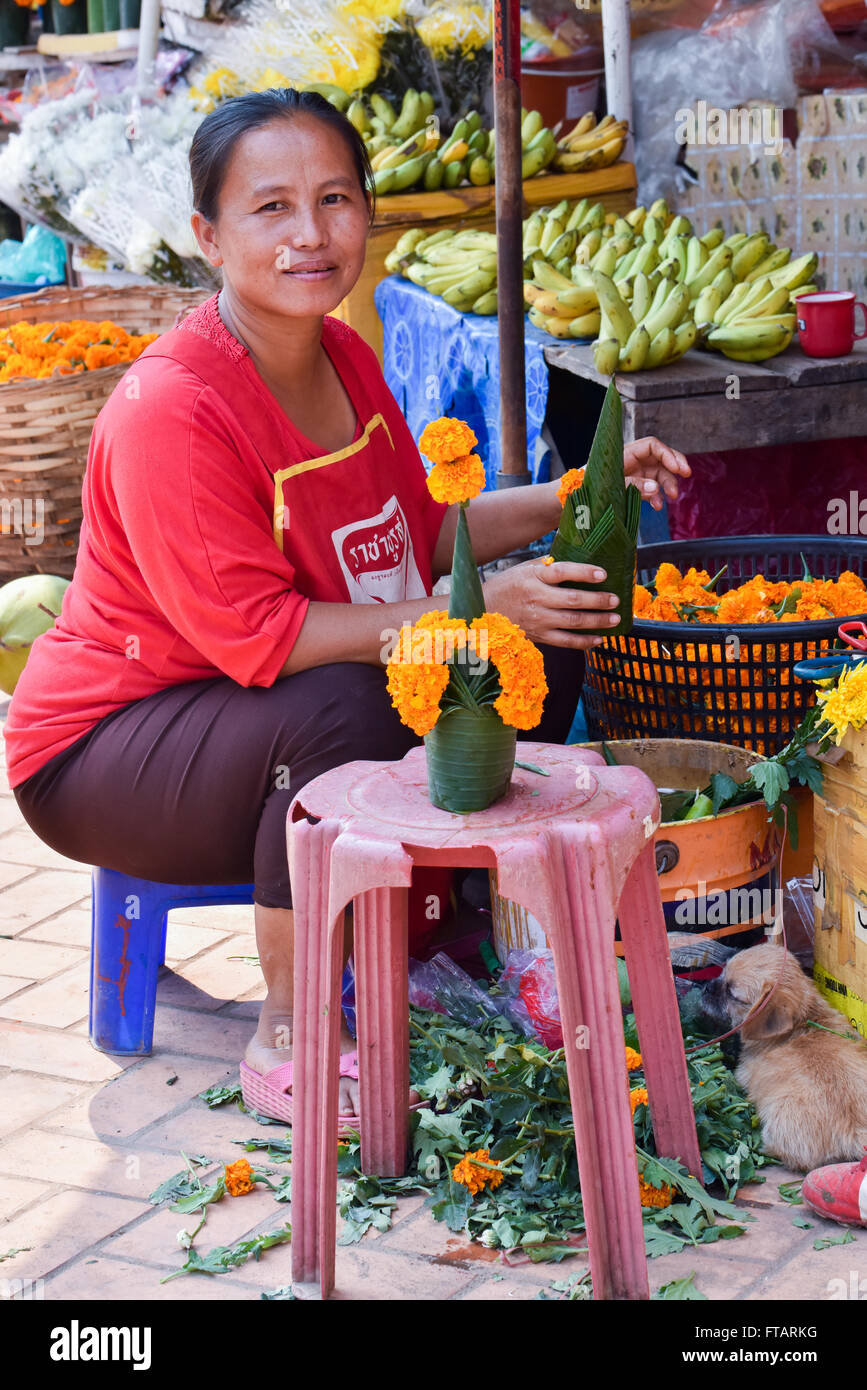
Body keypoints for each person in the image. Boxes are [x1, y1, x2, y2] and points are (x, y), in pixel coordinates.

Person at [3, 88, 690, 1123]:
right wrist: (470, 610)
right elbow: (269, 642)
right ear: (208, 236)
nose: (311, 235)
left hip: (253, 704)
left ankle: (451, 923)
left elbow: (420, 536)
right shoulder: (172, 411)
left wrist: (573, 498)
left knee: (541, 632)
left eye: (334, 199)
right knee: (350, 709)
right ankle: (291, 1031)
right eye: (270, 208)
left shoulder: (348, 356)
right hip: (105, 750)